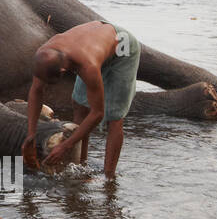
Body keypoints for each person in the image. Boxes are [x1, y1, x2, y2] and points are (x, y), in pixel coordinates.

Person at [22, 20, 141, 178]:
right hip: (95, 42)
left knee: (114, 116)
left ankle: (109, 177)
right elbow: (36, 91)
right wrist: (31, 135)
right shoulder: (45, 55)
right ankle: (81, 167)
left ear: (64, 70)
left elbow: (98, 113)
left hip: (123, 47)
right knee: (79, 105)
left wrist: (65, 146)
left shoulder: (87, 66)